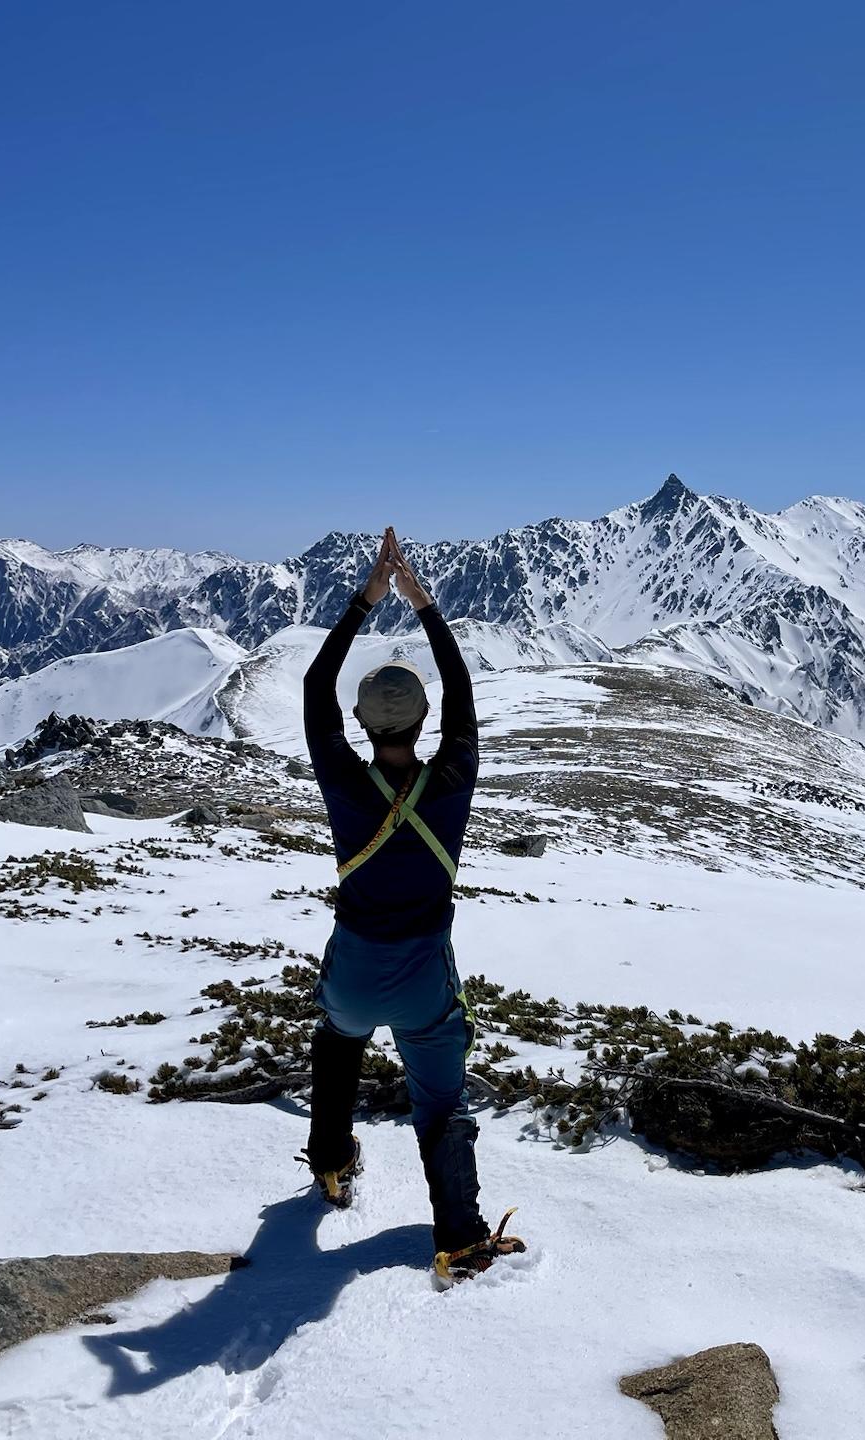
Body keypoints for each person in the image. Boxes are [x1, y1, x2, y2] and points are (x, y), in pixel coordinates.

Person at [299, 525, 523, 1285]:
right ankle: (458, 1237)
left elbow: (311, 691)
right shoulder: (453, 777)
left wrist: (366, 601)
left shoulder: (342, 780)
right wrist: (424, 606)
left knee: (337, 1039)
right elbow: (464, 696)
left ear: (362, 724)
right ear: (423, 722)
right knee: (441, 1105)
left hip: (356, 964)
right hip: (426, 974)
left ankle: (331, 1164)